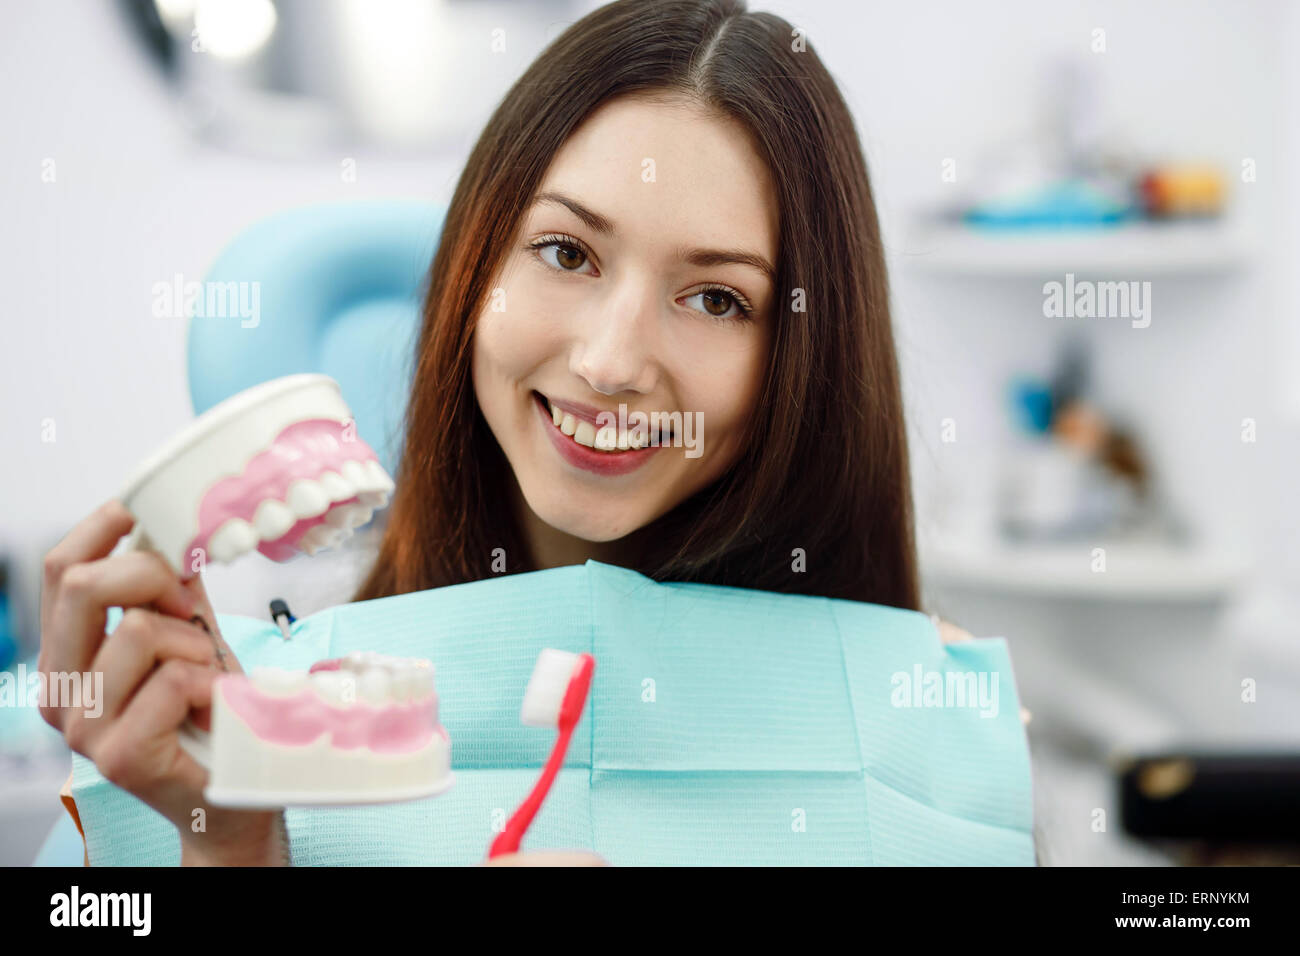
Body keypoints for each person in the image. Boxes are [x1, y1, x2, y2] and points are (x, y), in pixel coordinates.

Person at [39, 0, 973, 866]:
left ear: (810, 357)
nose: (611, 363)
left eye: (717, 297)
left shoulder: (923, 728)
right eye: (566, 252)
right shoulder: (249, 724)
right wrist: (234, 844)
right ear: (472, 269)